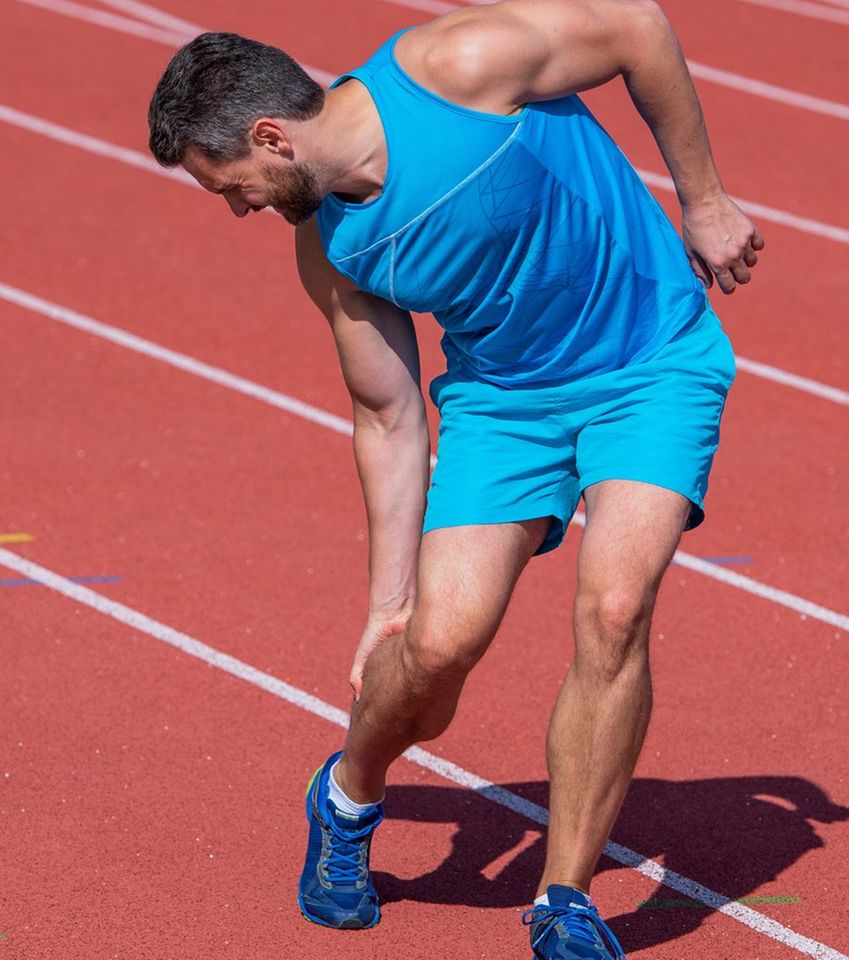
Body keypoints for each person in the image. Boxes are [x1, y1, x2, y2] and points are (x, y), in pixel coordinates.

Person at [148, 2, 763, 956]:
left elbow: (638, 26)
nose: (239, 209)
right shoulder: (334, 248)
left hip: (651, 361)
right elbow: (389, 416)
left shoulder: (457, 66)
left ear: (272, 135)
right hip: (505, 405)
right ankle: (349, 796)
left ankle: (565, 901)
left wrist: (705, 200)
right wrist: (384, 602)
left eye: (233, 185)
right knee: (437, 647)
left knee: (614, 609)